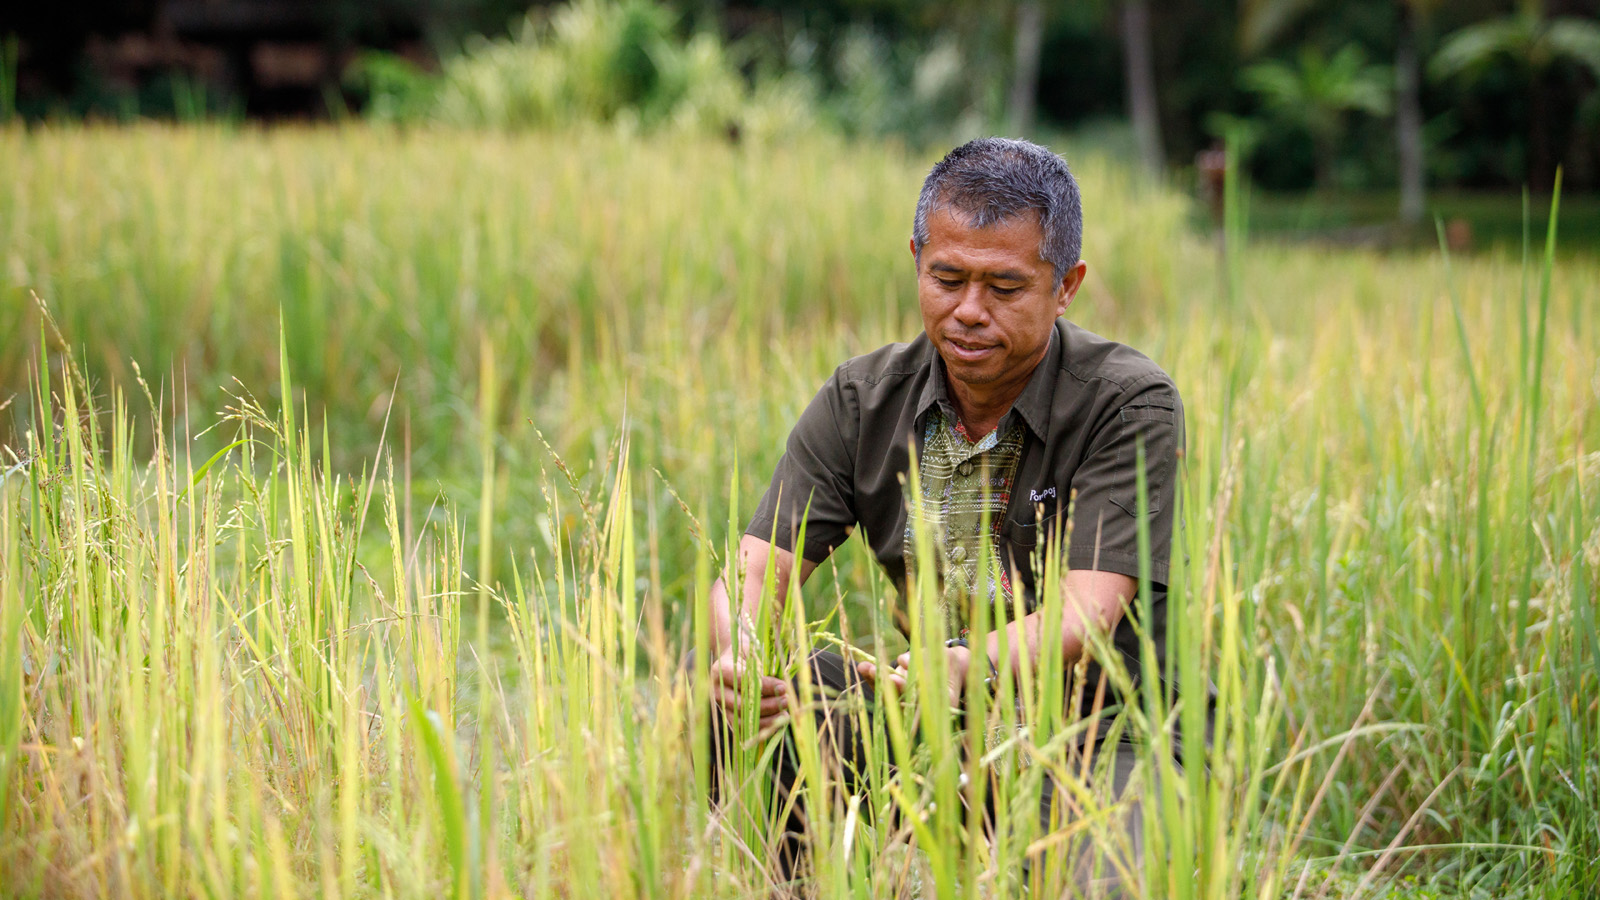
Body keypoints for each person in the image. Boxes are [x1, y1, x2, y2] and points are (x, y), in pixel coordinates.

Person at [698, 137, 1185, 893]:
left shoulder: (1127, 403)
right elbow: (756, 565)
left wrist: (967, 662)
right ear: (917, 259)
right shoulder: (863, 400)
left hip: (1102, 727)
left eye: (1005, 288)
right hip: (925, 710)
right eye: (946, 278)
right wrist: (744, 651)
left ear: (1067, 286)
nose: (968, 312)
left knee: (1107, 875)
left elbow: (1086, 612)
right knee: (748, 709)